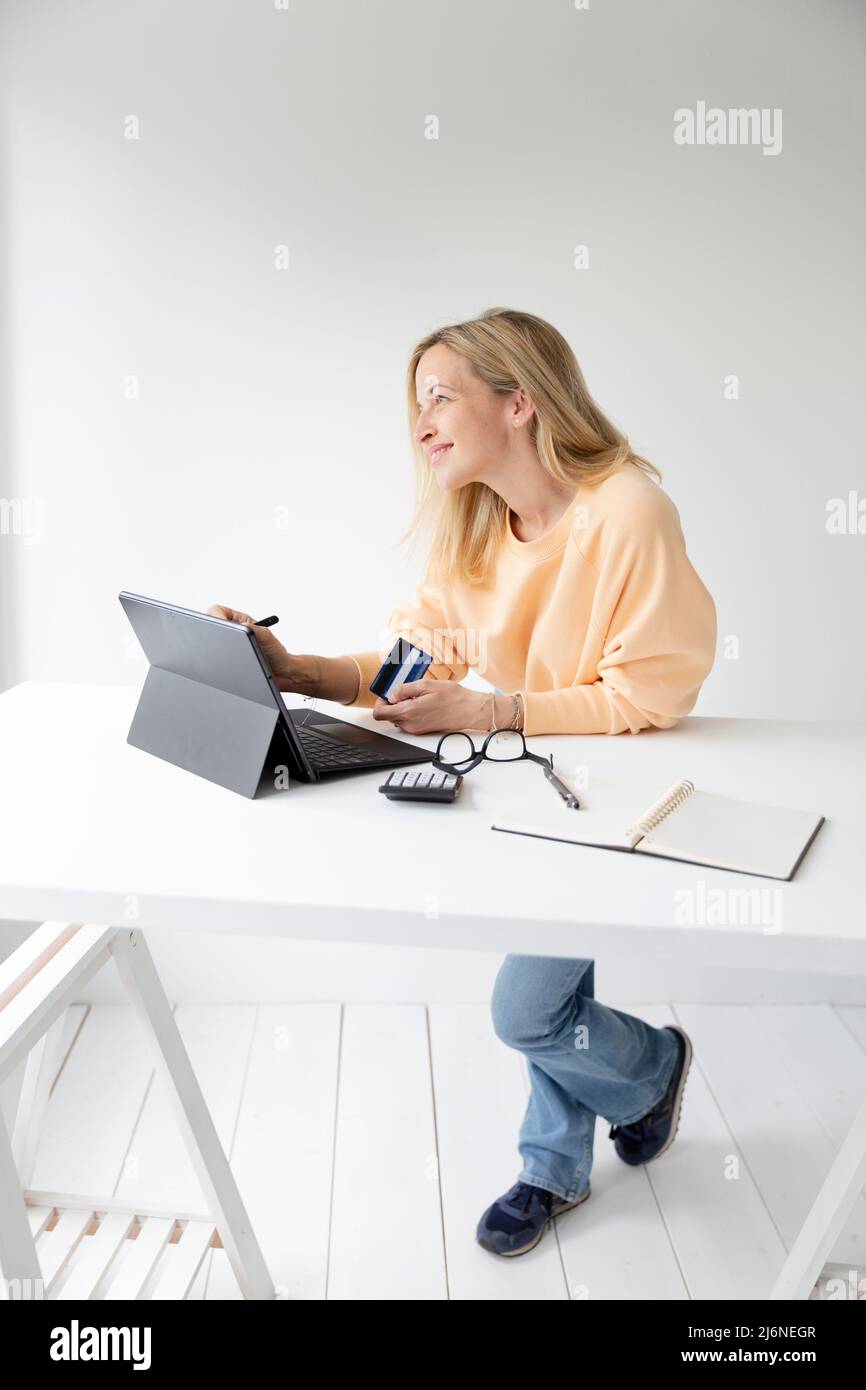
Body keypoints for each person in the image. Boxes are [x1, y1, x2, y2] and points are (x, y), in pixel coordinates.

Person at [210, 306, 717, 1257]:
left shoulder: (626, 512)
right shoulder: (477, 528)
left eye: (441, 396)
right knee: (548, 1005)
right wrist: (296, 669)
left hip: (627, 792)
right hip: (544, 789)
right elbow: (415, 668)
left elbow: (653, 694)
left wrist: (493, 714)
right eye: (417, 404)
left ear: (520, 402)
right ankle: (556, 1165)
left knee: (525, 1011)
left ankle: (650, 1067)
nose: (421, 423)